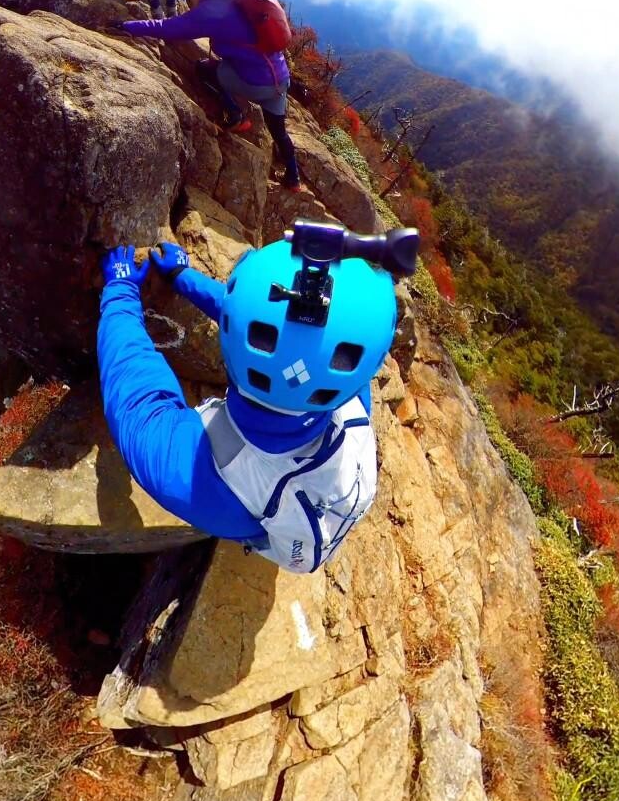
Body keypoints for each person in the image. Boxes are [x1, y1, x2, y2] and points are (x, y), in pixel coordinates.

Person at [98, 222, 415, 572]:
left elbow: (134, 394)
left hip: (247, 513)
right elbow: (286, 339)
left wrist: (120, 290)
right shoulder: (349, 383)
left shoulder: (201, 482)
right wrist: (185, 278)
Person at [119, 0, 301, 190]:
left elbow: (168, 27)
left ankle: (235, 115)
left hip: (256, 83)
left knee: (205, 69)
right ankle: (293, 178)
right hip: (280, 80)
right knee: (279, 131)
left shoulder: (211, 11)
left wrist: (128, 26)